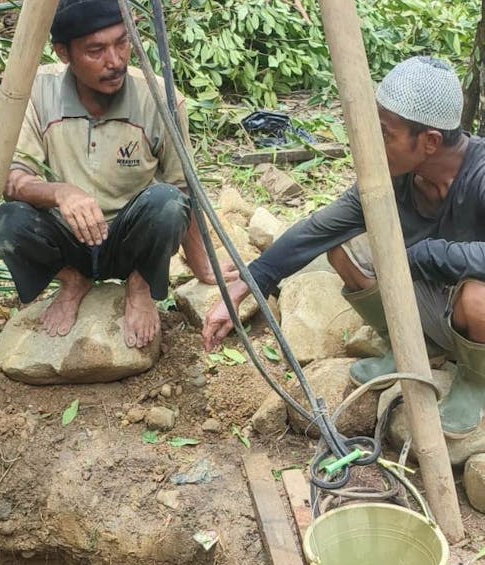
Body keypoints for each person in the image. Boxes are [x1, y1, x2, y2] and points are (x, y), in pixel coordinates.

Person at [203, 56, 485, 439]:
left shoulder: (480, 175)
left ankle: (473, 379)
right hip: (436, 302)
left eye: (384, 133)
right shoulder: (394, 176)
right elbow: (319, 229)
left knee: (477, 297)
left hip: (473, 310)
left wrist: (431, 254)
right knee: (344, 249)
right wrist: (246, 284)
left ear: (430, 141)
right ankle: (409, 347)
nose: (369, 143)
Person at [0, 0, 230, 350]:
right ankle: (73, 282)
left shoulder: (159, 98)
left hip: (130, 241)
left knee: (166, 201)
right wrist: (61, 193)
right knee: (7, 222)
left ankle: (140, 285)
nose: (115, 61)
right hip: (70, 238)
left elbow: (184, 187)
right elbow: (13, 179)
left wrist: (201, 264)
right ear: (63, 53)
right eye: (96, 50)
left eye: (122, 42)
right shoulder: (37, 91)